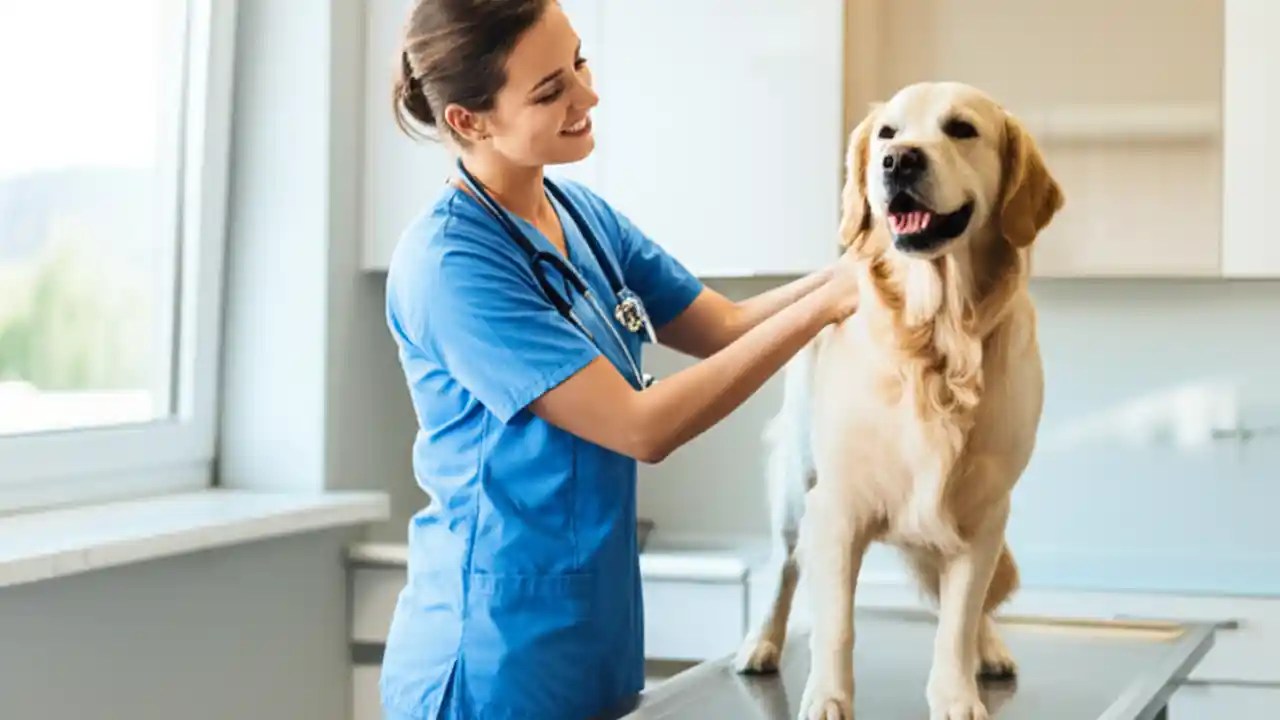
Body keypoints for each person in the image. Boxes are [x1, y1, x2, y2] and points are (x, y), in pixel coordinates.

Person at [380, 1, 859, 718]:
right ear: (469, 121)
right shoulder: (450, 264)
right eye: (550, 90)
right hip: (489, 656)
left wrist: (856, 273)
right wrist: (828, 305)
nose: (587, 95)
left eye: (578, 62)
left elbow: (723, 326)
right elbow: (642, 428)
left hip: (590, 635)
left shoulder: (580, 215)